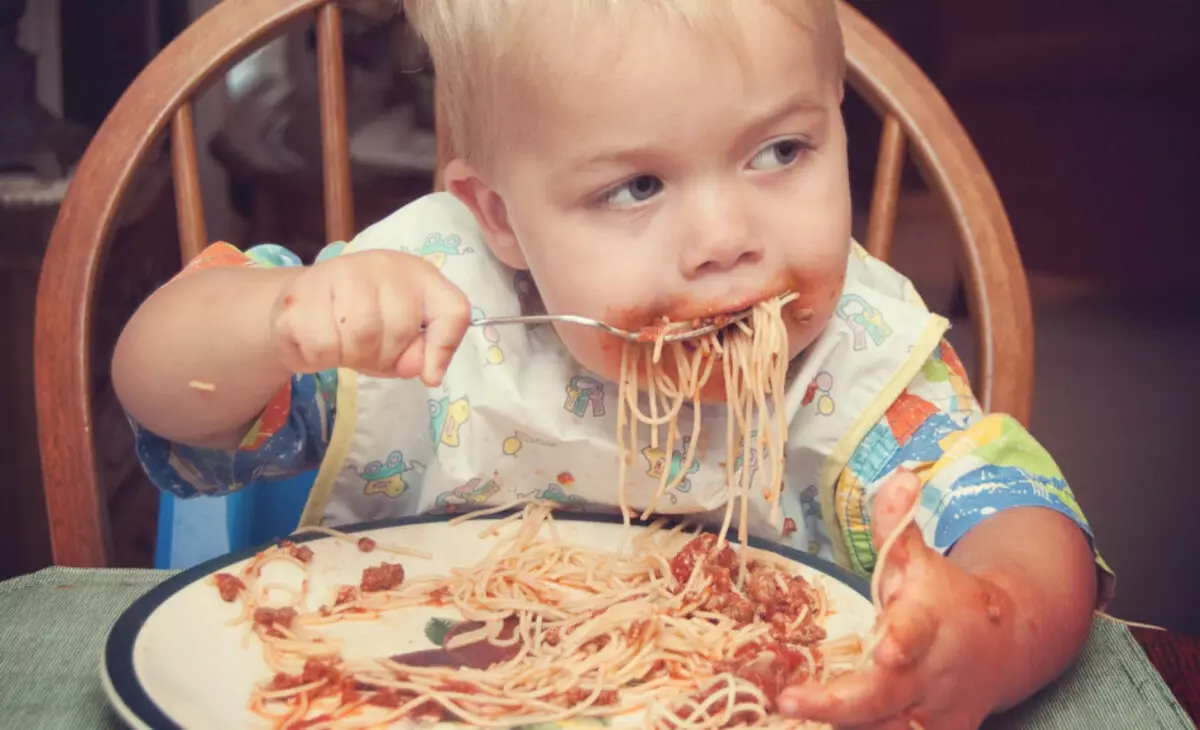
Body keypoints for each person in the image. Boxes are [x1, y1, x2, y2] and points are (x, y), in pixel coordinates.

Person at [113, 1, 1111, 727]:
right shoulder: (439, 319)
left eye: (782, 151)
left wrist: (981, 625)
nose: (726, 237)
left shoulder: (850, 361)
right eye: (635, 185)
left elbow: (1026, 526)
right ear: (500, 217)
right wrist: (273, 318)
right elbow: (164, 398)